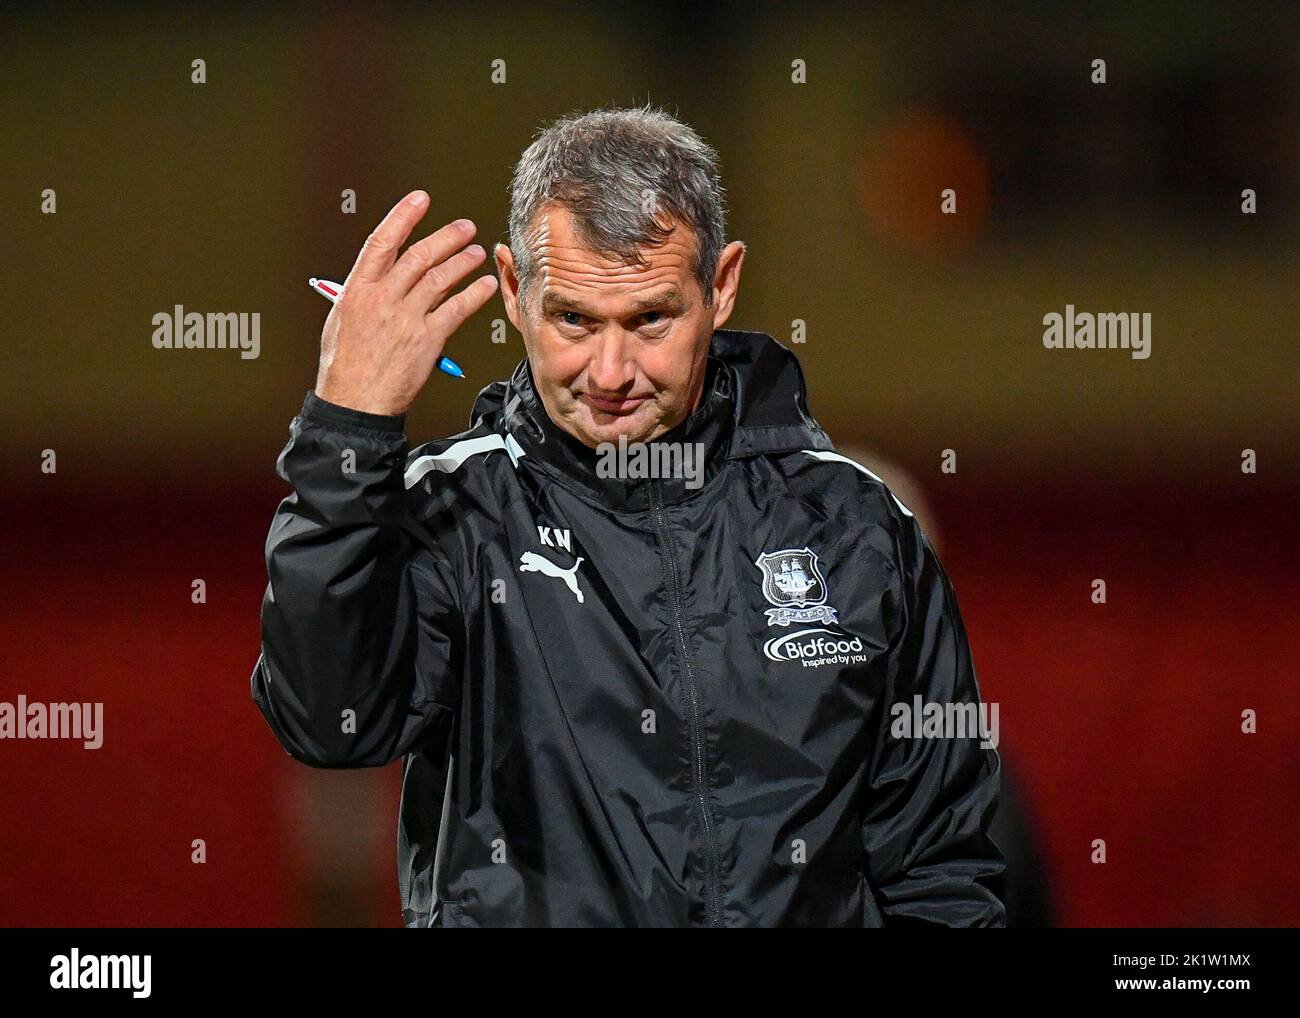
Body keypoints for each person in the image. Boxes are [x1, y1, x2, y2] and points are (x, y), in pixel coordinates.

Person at [250, 105, 1006, 927]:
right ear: (513, 288)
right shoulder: (453, 516)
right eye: (573, 318)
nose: (609, 371)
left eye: (650, 319)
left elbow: (941, 869)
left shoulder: (857, 528)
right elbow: (329, 723)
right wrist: (345, 434)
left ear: (721, 287)